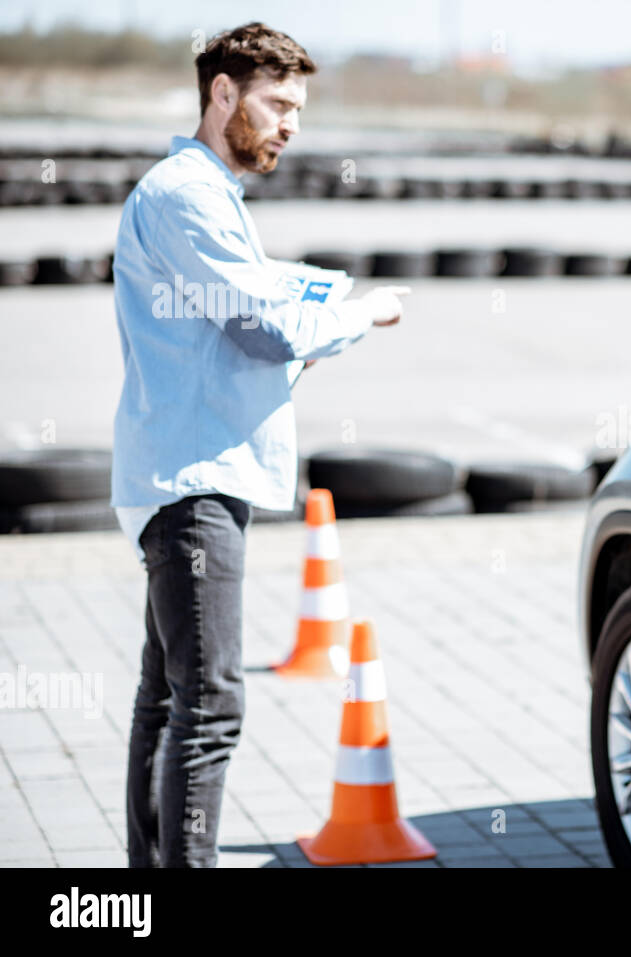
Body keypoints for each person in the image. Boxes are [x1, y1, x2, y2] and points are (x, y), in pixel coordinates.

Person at [110, 22, 408, 867]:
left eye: (299, 109)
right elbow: (262, 327)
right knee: (210, 706)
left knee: (167, 702)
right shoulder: (185, 196)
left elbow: (251, 318)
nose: (290, 124)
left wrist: (309, 311)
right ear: (222, 94)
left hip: (193, 473)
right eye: (277, 104)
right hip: (191, 482)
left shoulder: (210, 198)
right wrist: (361, 313)